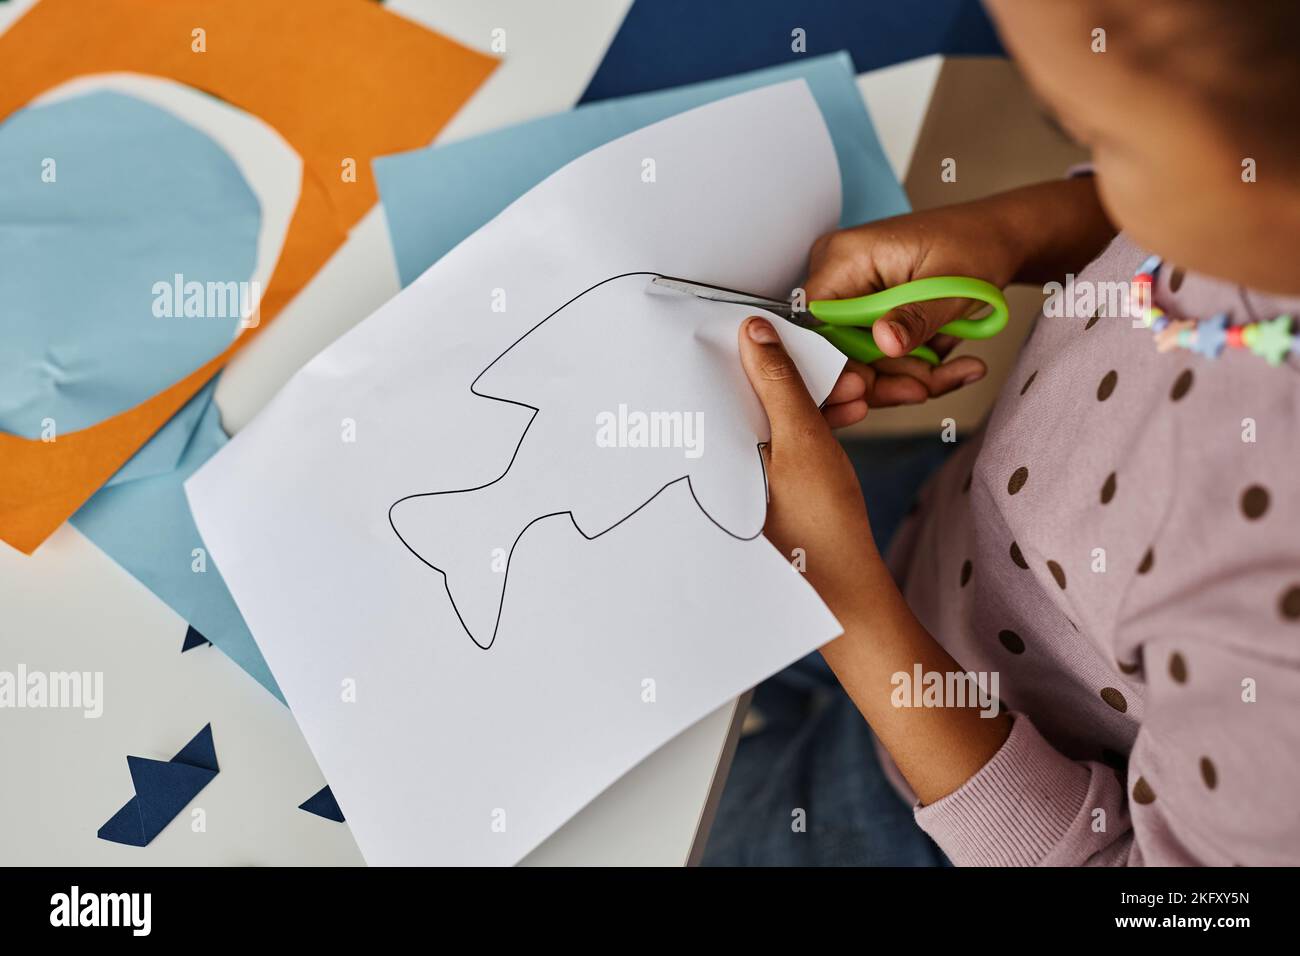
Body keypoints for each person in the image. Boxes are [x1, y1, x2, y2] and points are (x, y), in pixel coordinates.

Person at [706, 0, 1300, 865]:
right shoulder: (1256, 189)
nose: (1092, 161)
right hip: (942, 529)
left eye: (1101, 138)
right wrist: (1014, 234)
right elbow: (1182, 210)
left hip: (941, 797)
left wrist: (842, 601)